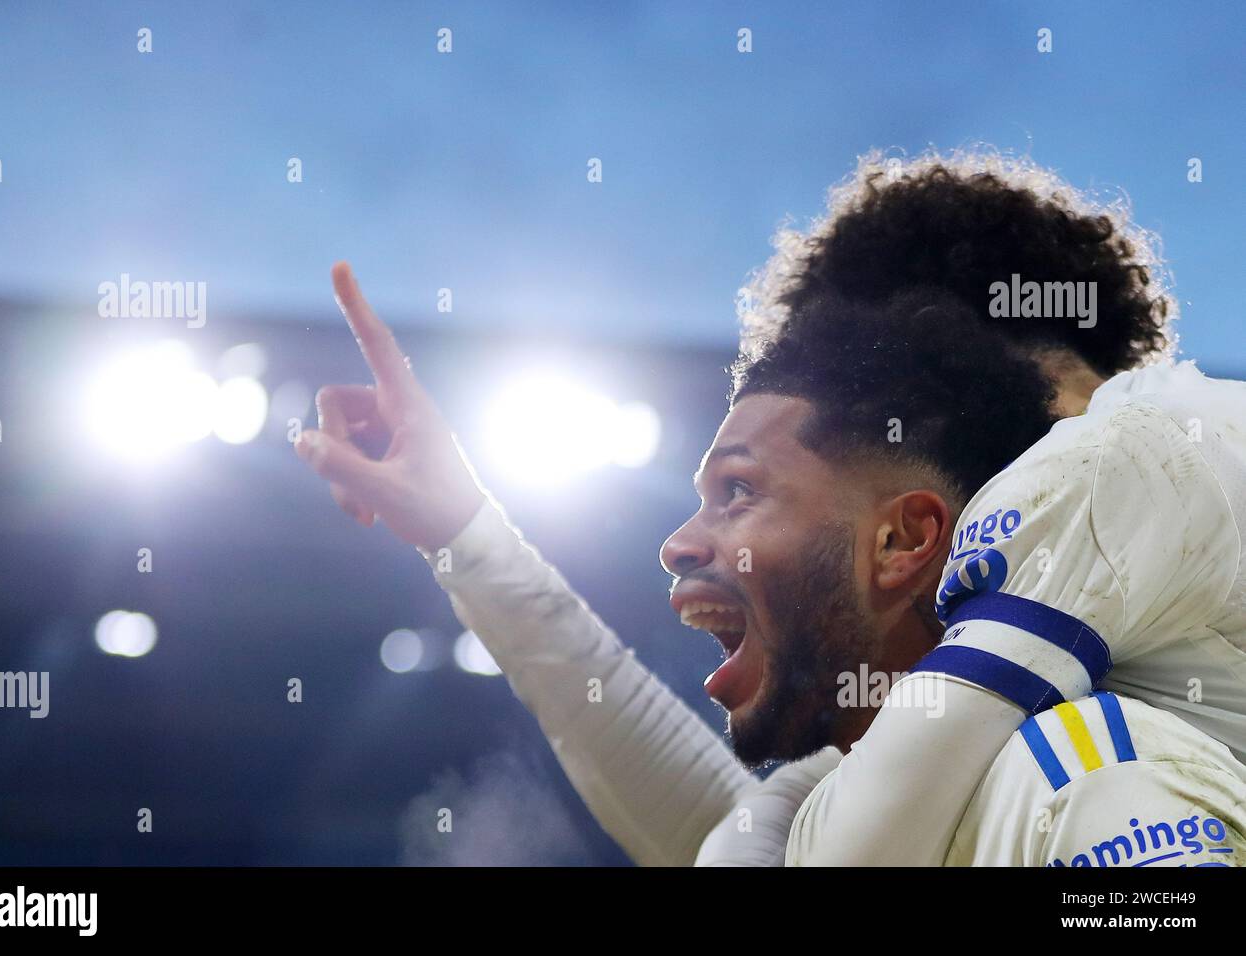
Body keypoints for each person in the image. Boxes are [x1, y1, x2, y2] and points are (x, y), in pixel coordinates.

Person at [295, 150, 1246, 865]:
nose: (1023, 475)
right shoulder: (936, 753)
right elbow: (734, 827)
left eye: (1044, 428)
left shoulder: (1159, 454)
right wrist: (466, 534)